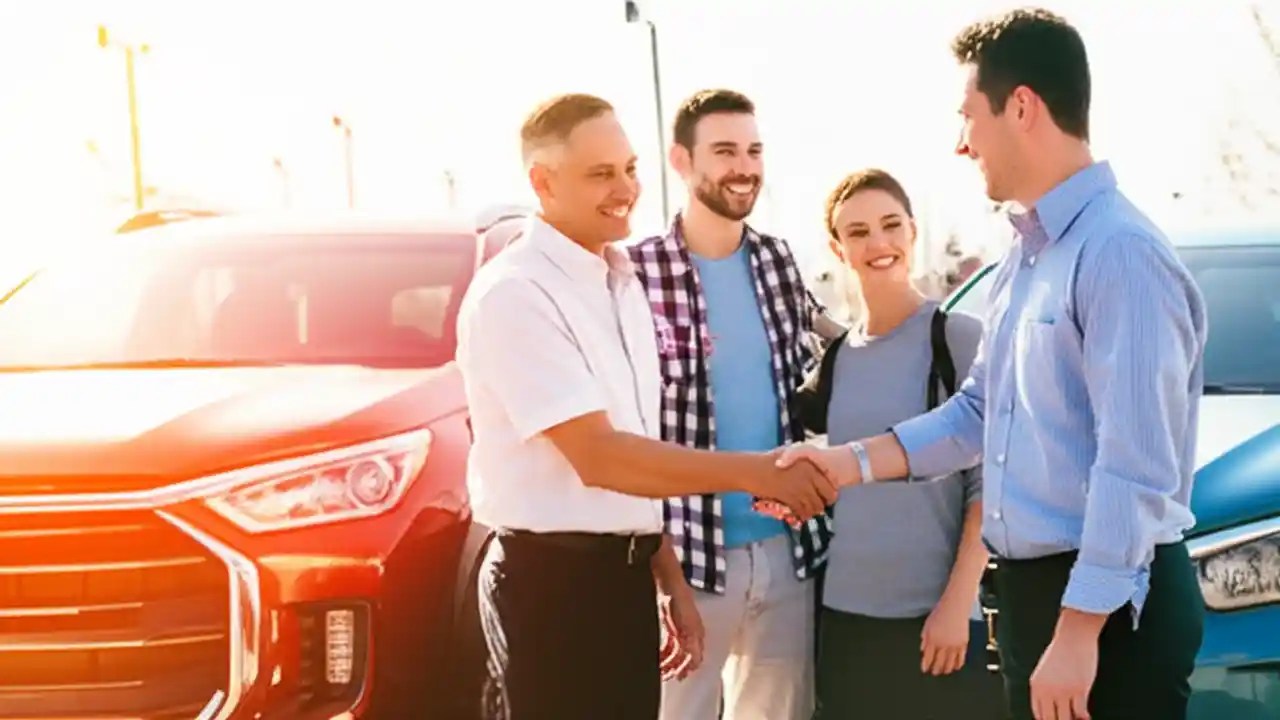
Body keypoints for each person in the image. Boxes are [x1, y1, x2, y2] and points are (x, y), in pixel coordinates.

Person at [776, 9, 1208, 720]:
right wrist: (844, 463)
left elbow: (1135, 466)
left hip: (1108, 614)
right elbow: (978, 411)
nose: (959, 142)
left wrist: (1077, 631)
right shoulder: (1028, 257)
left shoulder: (1119, 254)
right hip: (1043, 600)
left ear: (1023, 107)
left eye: (968, 116)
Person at [455, 92, 836, 720]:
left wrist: (668, 580)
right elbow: (603, 459)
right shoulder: (515, 295)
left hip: (626, 577)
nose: (625, 188)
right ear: (541, 182)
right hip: (549, 589)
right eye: (600, 173)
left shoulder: (621, 280)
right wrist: (756, 473)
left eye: (629, 169)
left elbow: (635, 450)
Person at [630, 88, 839, 720]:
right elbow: (625, 430)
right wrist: (658, 574)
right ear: (681, 161)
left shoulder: (777, 260)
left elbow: (833, 347)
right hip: (688, 555)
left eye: (752, 150)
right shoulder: (636, 272)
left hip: (789, 547)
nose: (743, 167)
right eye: (724, 151)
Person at [803, 168, 1005, 719]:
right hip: (845, 622)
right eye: (859, 232)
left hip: (934, 624)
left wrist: (956, 605)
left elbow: (987, 488)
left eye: (891, 225)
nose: (878, 243)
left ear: (913, 233)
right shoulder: (837, 357)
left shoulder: (958, 339)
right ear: (838, 248)